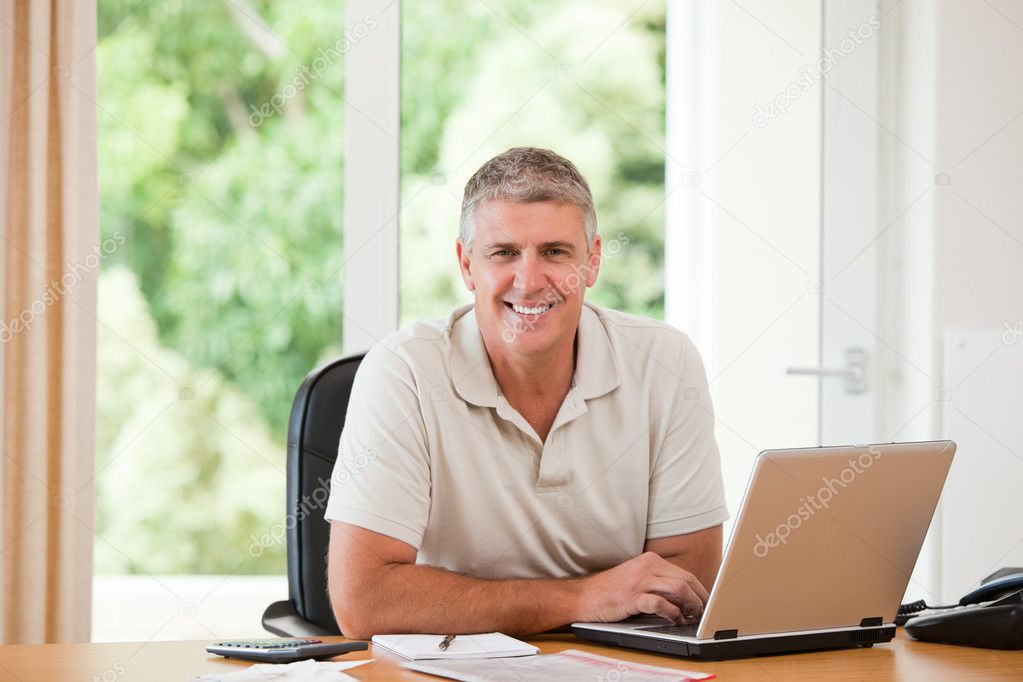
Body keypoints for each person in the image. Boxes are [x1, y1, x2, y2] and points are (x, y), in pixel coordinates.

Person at [325, 147, 728, 639]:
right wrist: (582, 598)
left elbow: (689, 584)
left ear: (593, 260)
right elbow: (364, 603)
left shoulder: (667, 361)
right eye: (504, 253)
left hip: (615, 667)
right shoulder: (403, 371)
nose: (530, 281)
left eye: (555, 252)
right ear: (467, 264)